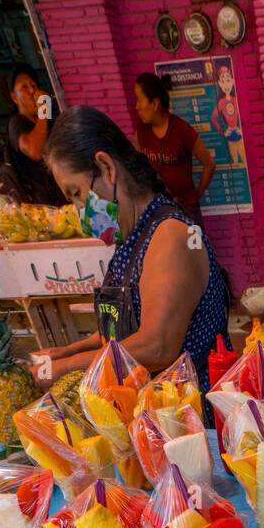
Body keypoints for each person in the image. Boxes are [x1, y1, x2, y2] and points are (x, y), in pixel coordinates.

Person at [32, 105, 229, 396]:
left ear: (106, 168)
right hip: (152, 417)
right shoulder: (134, 238)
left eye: (76, 193)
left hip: (195, 422)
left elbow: (156, 345)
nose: (78, 210)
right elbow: (122, 333)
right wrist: (66, 351)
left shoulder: (171, 236)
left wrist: (65, 367)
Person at [134, 72, 215, 223]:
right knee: (168, 247)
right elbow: (139, 166)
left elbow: (209, 165)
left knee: (195, 246)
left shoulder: (182, 130)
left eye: (139, 100)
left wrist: (197, 194)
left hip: (187, 210)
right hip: (159, 210)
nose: (136, 107)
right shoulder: (141, 131)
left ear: (155, 103)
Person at [0, 65, 63, 205]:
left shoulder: (46, 121)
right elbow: (35, 151)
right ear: (14, 97)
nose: (32, 90)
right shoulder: (17, 123)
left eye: (33, 85)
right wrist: (44, 110)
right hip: (45, 205)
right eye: (24, 87)